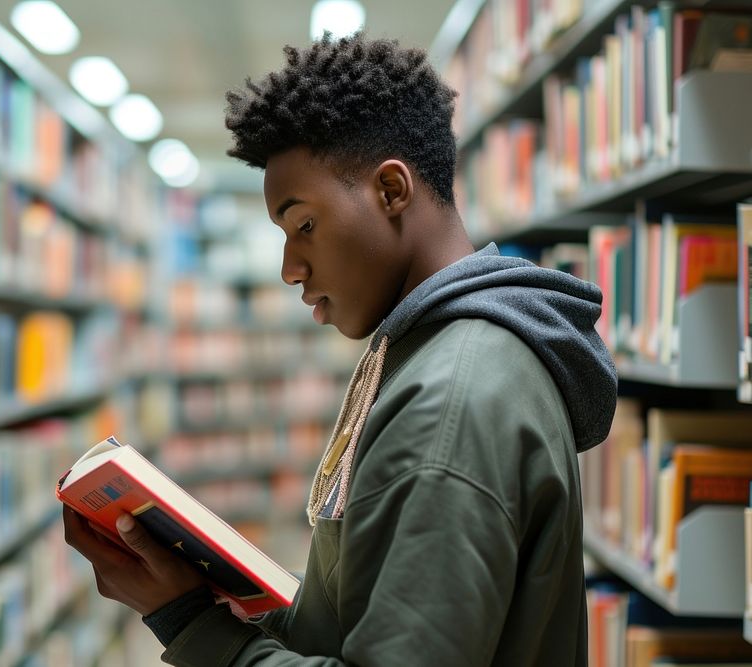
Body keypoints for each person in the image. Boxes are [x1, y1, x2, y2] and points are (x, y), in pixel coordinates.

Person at [63, 33, 617, 666]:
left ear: (391, 190)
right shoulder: (431, 353)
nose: (289, 268)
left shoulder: (449, 401)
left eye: (305, 226)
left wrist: (187, 619)